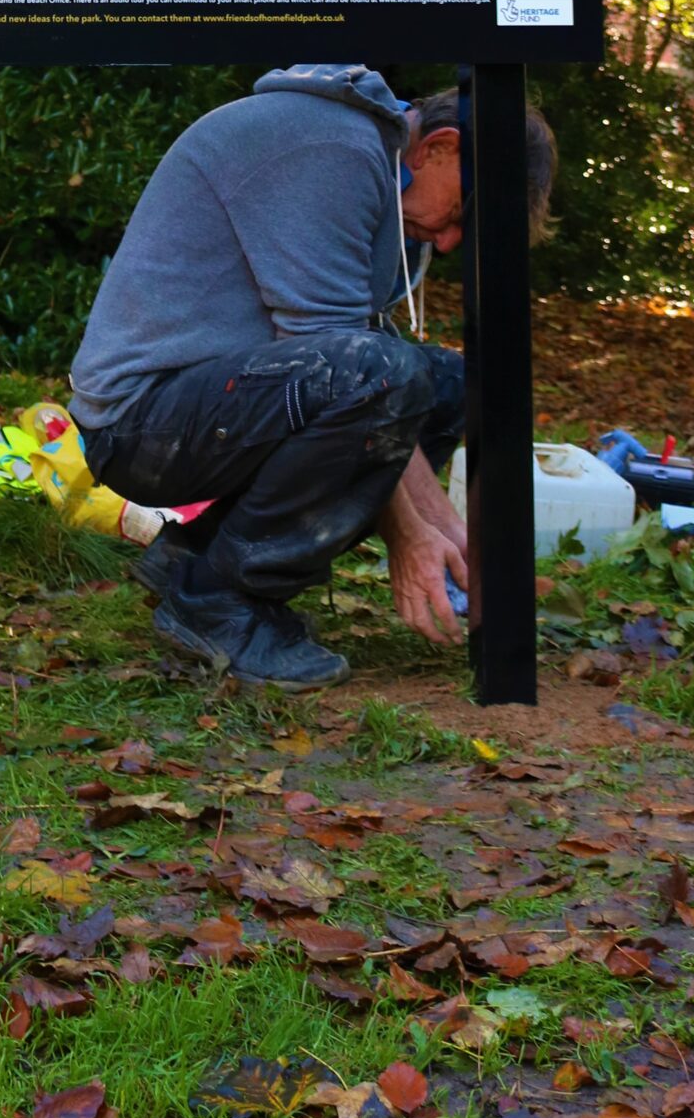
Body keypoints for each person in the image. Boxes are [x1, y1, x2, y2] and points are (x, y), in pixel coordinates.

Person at [70, 68, 555, 689]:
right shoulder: (335, 150)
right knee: (384, 376)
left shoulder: (384, 175)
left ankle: (196, 559)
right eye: (460, 213)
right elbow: (353, 375)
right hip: (139, 425)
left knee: (447, 385)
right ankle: (218, 604)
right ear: (439, 148)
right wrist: (410, 538)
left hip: (209, 406)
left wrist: (462, 544)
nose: (455, 241)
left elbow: (367, 388)